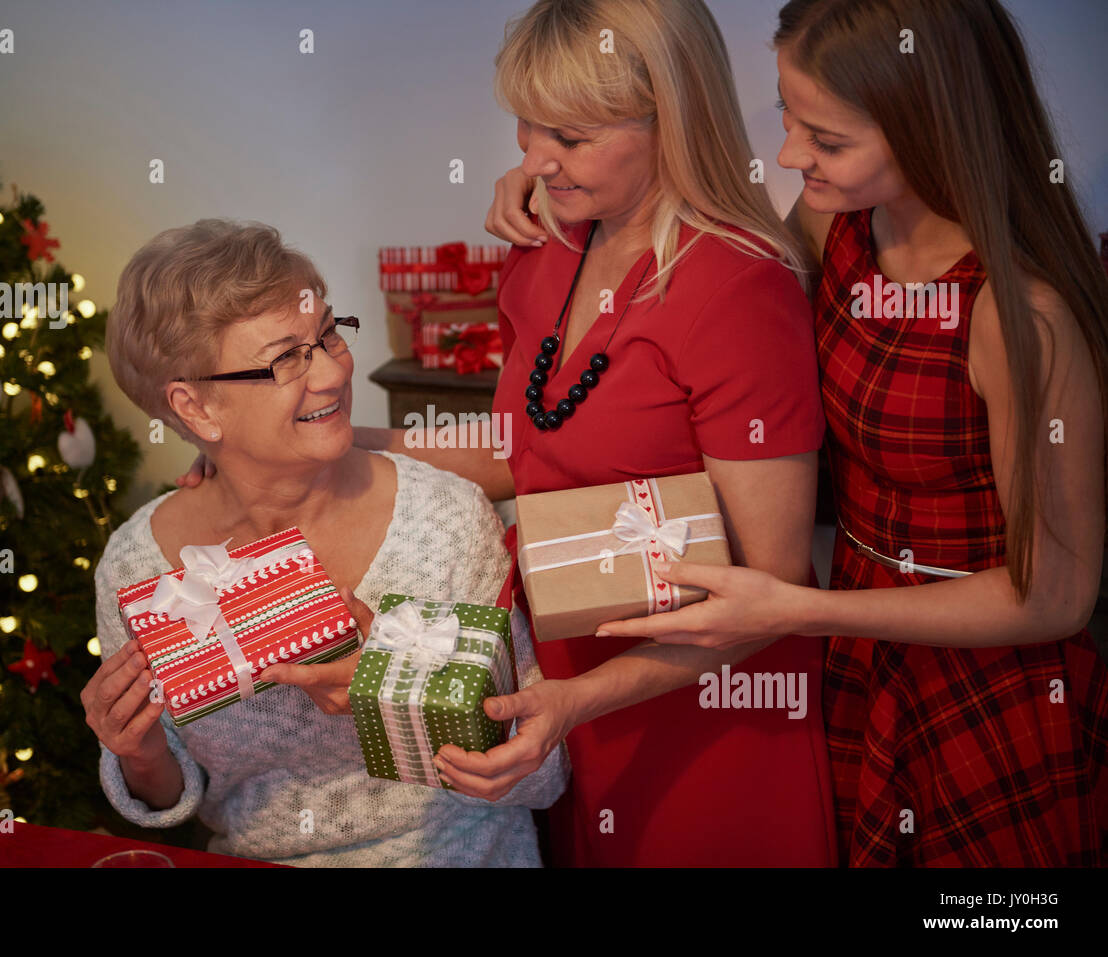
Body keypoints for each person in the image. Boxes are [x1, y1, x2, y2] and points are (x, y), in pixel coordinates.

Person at [569, 0, 1108, 866]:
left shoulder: (1021, 318)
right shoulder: (838, 223)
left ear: (927, 126)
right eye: (788, 115)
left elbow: (1054, 595)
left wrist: (801, 611)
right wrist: (566, 188)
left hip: (983, 683)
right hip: (861, 653)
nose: (788, 155)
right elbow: (733, 276)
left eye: (825, 139)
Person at [366, 0, 839, 866]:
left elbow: (769, 593)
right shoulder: (551, 241)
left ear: (674, 118)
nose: (535, 158)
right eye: (528, 125)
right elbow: (521, 447)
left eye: (572, 136)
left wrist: (583, 698)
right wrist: (346, 445)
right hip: (563, 675)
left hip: (701, 705)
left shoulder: (738, 287)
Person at [85, 219, 567, 867]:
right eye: (286, 358)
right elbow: (178, 795)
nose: (333, 374)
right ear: (196, 409)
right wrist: (137, 752)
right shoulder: (134, 564)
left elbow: (541, 770)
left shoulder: (445, 516)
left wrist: (393, 686)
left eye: (329, 335)